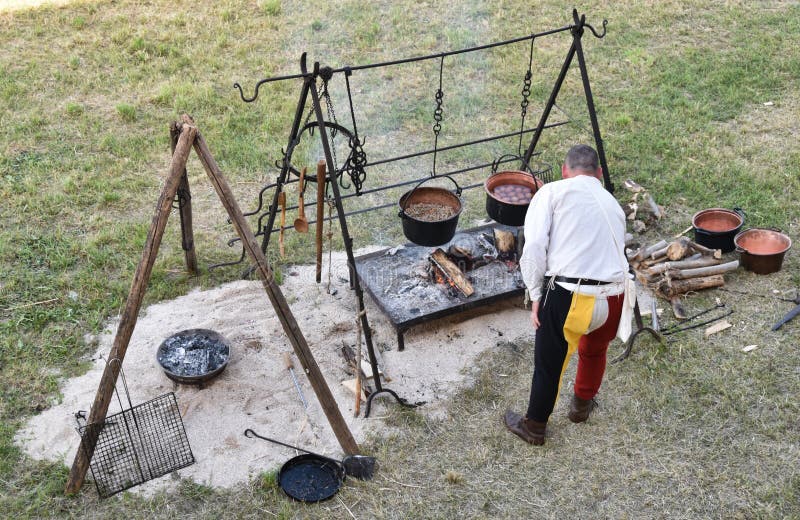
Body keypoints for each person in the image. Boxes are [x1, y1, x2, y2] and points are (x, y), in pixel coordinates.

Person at [504, 144, 629, 445]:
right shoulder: (613, 203)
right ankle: (580, 407)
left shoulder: (551, 192)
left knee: (549, 360)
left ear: (564, 171)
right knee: (594, 351)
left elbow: (533, 248)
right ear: (598, 174)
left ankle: (534, 426)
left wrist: (536, 295)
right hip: (615, 296)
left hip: (572, 295)